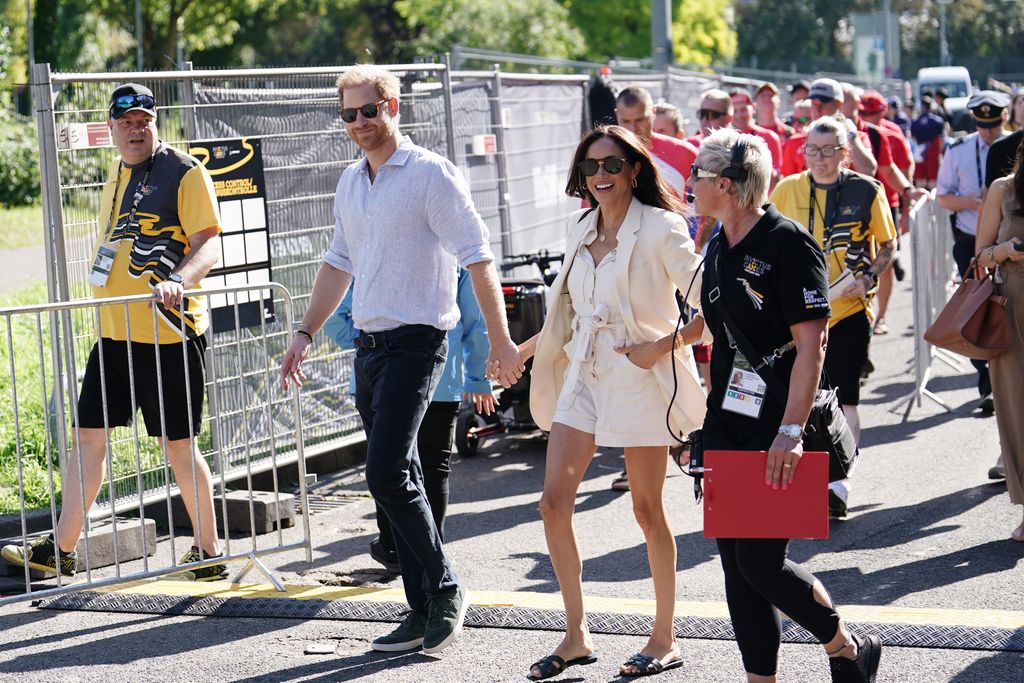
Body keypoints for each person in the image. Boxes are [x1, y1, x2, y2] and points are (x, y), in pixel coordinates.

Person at [279, 64, 522, 655]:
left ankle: (444, 589)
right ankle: (419, 610)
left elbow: (478, 258)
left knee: (386, 472)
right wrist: (304, 332)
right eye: (349, 114)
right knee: (402, 475)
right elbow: (339, 262)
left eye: (369, 110)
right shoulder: (351, 182)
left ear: (393, 107)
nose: (360, 123)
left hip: (419, 341)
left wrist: (500, 339)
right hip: (371, 346)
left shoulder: (431, 175)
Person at [2, 84, 227, 581]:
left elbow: (209, 244)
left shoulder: (185, 171)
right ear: (113, 128)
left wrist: (178, 281)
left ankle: (209, 553)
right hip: (116, 334)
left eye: (144, 120)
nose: (135, 129)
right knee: (88, 436)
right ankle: (58, 551)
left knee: (178, 445)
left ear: (155, 122)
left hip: (169, 335)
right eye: (126, 122)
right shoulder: (119, 171)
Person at [688, 127, 882, 683]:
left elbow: (811, 345)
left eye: (699, 175)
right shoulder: (718, 243)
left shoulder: (789, 244)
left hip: (777, 423)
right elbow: (721, 331)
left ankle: (845, 646)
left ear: (725, 183)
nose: (691, 184)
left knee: (760, 563)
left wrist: (791, 429)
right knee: (734, 567)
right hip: (727, 419)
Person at [515, 125, 707, 679]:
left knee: (647, 510)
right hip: (585, 371)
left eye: (612, 165)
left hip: (642, 376)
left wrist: (658, 347)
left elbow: (708, 314)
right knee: (553, 503)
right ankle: (575, 636)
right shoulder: (579, 228)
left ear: (634, 171)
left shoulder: (662, 228)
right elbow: (564, 317)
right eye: (592, 168)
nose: (601, 176)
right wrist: (523, 355)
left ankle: (664, 636)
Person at [323, 268, 494, 573]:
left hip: (380, 378)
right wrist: (478, 379)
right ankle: (432, 551)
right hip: (441, 380)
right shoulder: (456, 267)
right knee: (434, 469)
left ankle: (392, 546)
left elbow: (336, 319)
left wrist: (370, 340)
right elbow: (475, 326)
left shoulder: (376, 260)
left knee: (388, 463)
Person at [771, 116, 897, 519]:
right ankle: (801, 482)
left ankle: (838, 484)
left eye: (829, 150)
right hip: (797, 314)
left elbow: (888, 243)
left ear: (845, 152)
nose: (820, 158)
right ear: (802, 151)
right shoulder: (788, 188)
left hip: (848, 311)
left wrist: (868, 277)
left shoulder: (866, 189)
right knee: (798, 400)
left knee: (845, 398)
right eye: (812, 149)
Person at [937, 90, 1011, 416]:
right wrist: (974, 203)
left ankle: (1004, 382)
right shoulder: (959, 151)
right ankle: (987, 386)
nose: (987, 132)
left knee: (1006, 312)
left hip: (1007, 240)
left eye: (992, 125)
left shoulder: (1013, 147)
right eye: (982, 125)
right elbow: (942, 197)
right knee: (977, 312)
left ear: (1004, 119)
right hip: (971, 241)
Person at [974, 149, 1024, 537]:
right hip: (1011, 314)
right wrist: (1004, 252)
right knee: (1015, 408)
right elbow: (980, 257)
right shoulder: (1002, 189)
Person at [858, 90, 919, 336]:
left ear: (883, 112)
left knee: (887, 262)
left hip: (888, 202)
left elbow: (903, 166)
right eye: (864, 112)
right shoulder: (851, 133)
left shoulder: (890, 135)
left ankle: (881, 316)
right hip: (860, 204)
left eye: (872, 113)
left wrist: (906, 206)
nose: (867, 116)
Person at [780, 79, 876, 179]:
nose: (817, 109)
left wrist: (850, 137)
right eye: (814, 103)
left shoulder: (856, 138)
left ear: (838, 104)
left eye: (823, 103)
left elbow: (868, 171)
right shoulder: (795, 142)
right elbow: (788, 184)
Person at [615, 86, 697, 195]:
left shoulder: (685, 153)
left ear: (653, 112)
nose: (633, 128)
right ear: (617, 115)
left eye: (640, 120)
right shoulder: (602, 154)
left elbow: (706, 205)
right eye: (626, 121)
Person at [731, 87, 783, 188]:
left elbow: (774, 181)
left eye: (744, 110)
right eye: (734, 110)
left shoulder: (769, 137)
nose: (739, 115)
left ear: (754, 108)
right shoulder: (721, 138)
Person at [911, 96, 946, 189]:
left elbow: (913, 139)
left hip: (919, 155)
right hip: (933, 155)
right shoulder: (938, 121)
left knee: (920, 182)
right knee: (934, 183)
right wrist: (940, 153)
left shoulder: (915, 122)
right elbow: (941, 139)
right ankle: (933, 203)